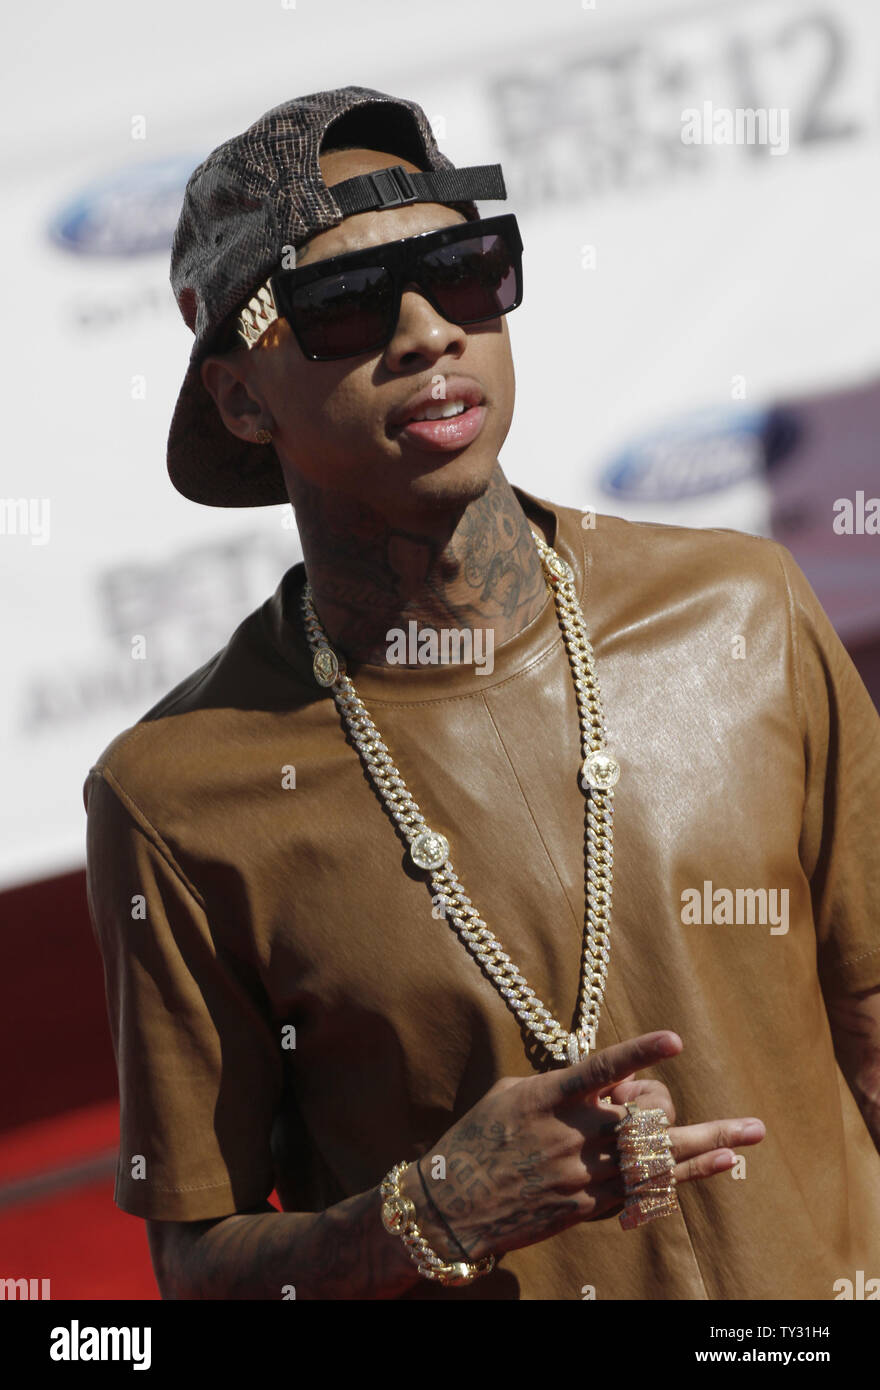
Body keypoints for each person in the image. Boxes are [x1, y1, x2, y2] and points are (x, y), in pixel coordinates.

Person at [83, 86, 880, 1301]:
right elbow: (200, 1270)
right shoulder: (177, 793)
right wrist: (430, 1211)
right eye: (343, 303)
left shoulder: (742, 610)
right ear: (243, 397)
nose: (426, 334)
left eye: (461, 270)